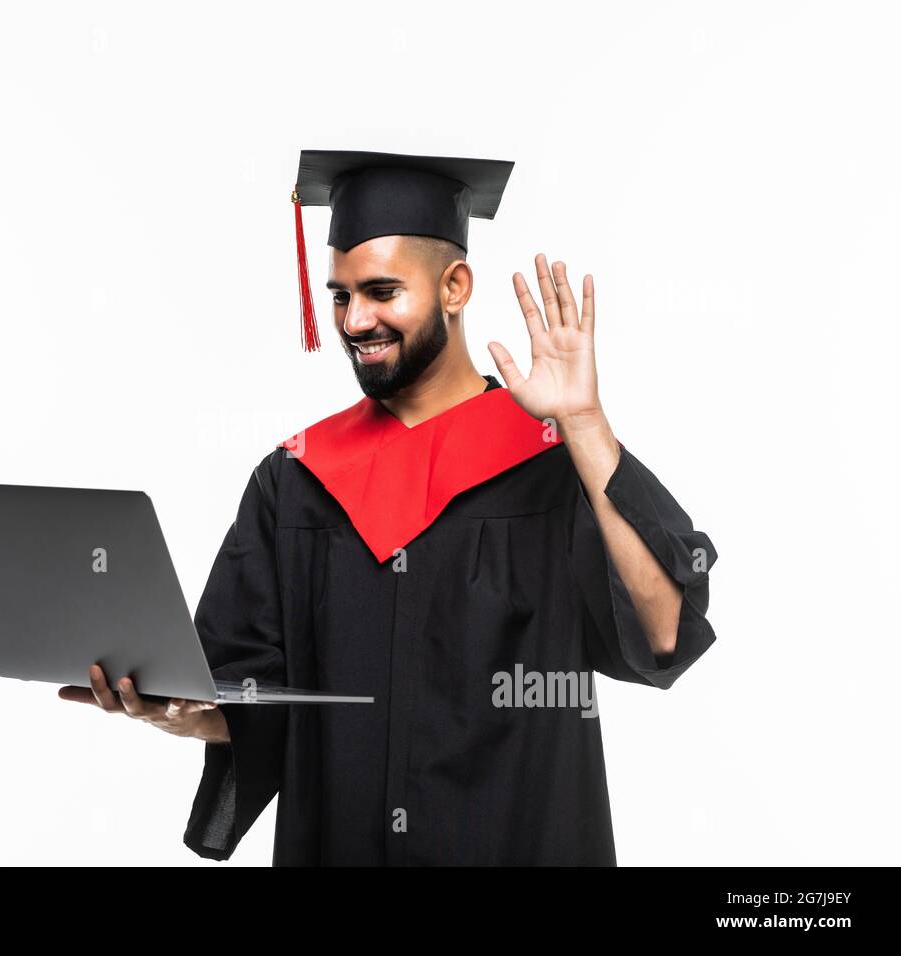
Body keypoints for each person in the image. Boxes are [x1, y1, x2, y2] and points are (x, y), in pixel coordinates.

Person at [58, 149, 719, 865]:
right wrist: (177, 712)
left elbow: (663, 632)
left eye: (381, 292)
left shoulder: (551, 462)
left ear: (456, 286)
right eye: (340, 295)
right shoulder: (297, 481)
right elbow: (248, 699)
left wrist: (585, 425)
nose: (354, 319)